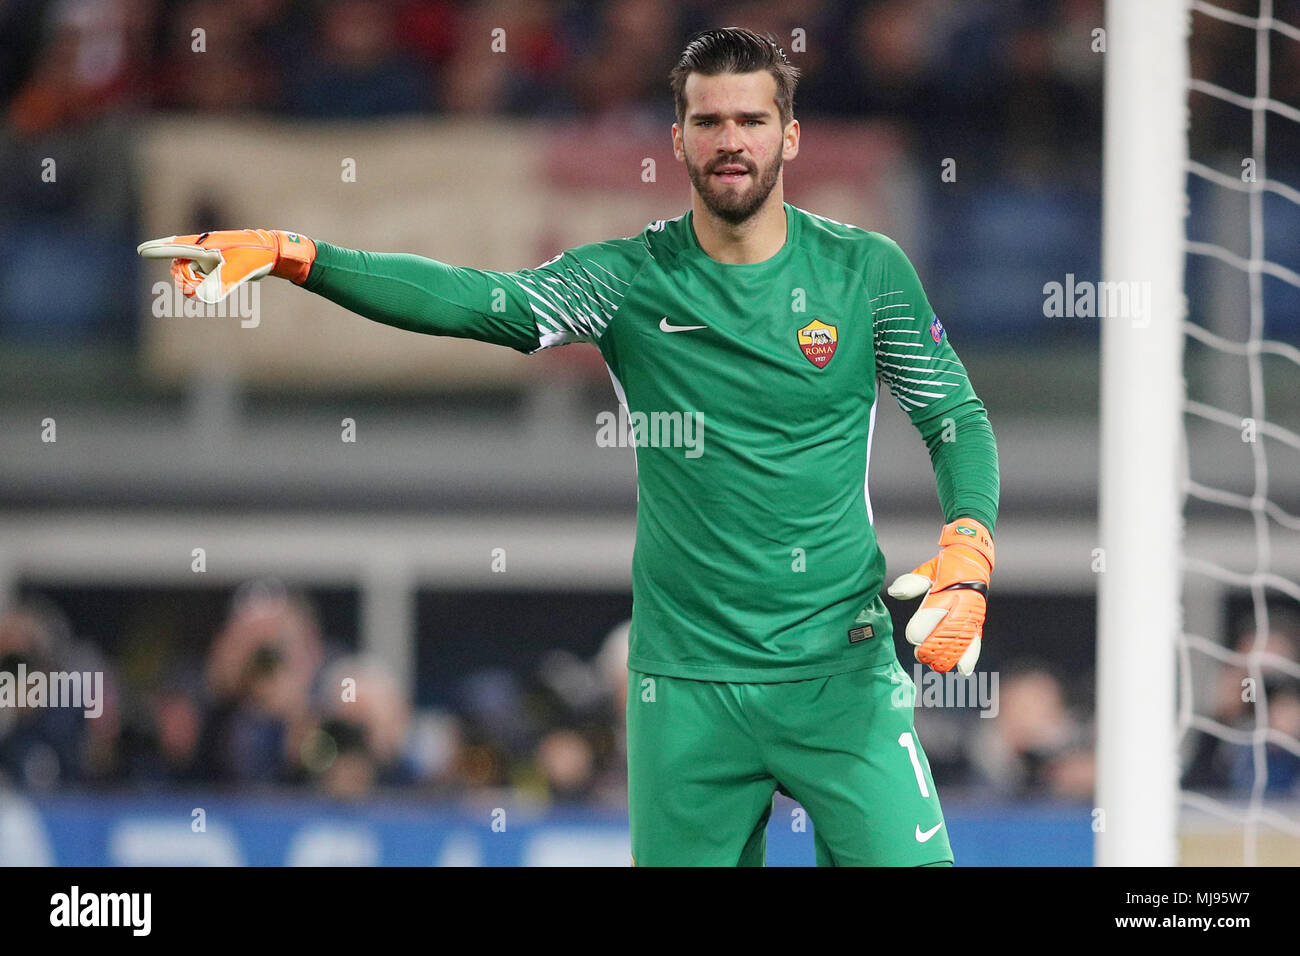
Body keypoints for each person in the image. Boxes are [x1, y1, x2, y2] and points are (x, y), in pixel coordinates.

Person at [137, 27, 1000, 866]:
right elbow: (484, 302)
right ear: (678, 138)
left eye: (751, 120)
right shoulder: (627, 280)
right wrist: (302, 258)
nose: (729, 141)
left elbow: (953, 414)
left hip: (837, 671)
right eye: (708, 122)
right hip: (686, 686)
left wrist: (969, 545)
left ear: (792, 135)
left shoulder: (866, 271)